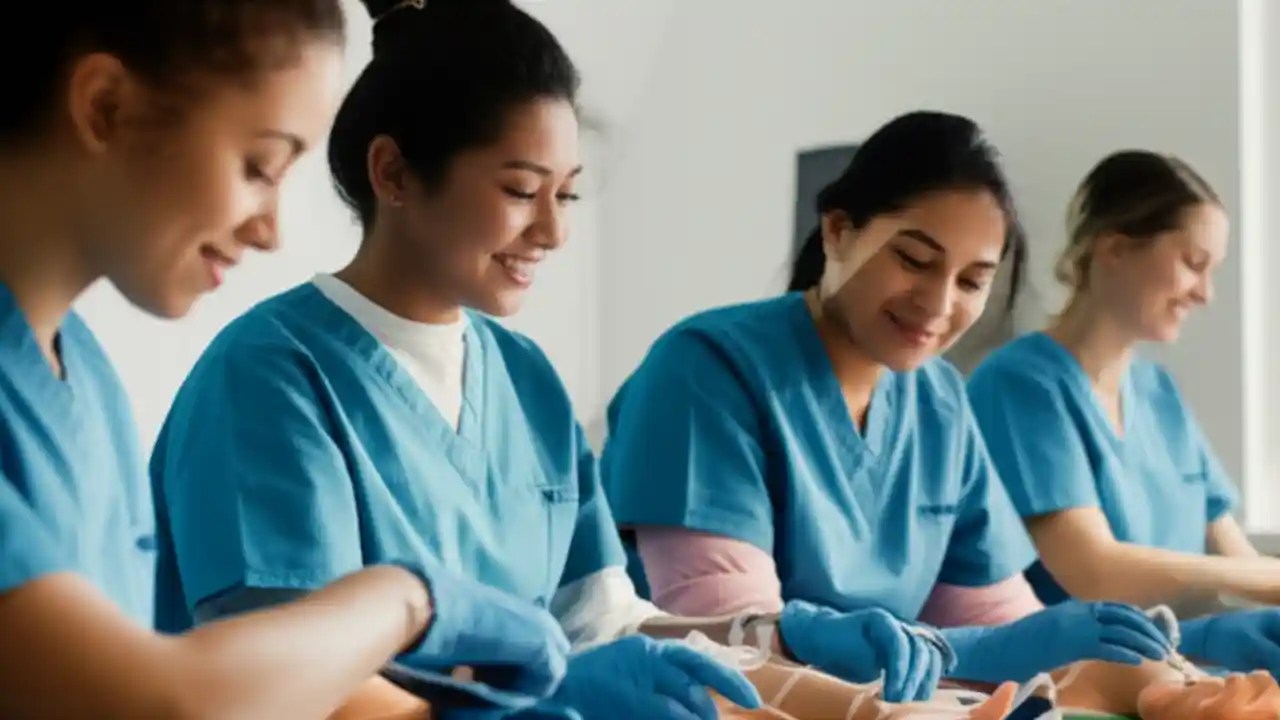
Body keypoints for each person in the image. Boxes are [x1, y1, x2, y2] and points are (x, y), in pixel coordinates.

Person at [149, 2, 764, 719]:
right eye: (521, 191)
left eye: (565, 193)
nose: (554, 230)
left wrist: (786, 658)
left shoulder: (525, 378)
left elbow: (599, 626)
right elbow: (292, 679)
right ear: (396, 174)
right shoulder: (271, 377)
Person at [0, 2, 585, 719]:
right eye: (259, 166)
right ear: (106, 106)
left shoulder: (82, 380)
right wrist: (410, 600)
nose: (272, 230)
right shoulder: (269, 371)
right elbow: (159, 700)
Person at [600, 111, 1176, 693]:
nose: (937, 303)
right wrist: (960, 652)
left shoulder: (940, 406)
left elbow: (1002, 628)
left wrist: (1162, 665)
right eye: (915, 261)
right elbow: (733, 655)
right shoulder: (707, 370)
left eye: (972, 282)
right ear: (838, 231)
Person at [968, 149, 1280, 677]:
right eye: (1193, 263)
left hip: (1188, 666)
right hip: (1088, 675)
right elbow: (1094, 570)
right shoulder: (1019, 385)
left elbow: (1238, 562)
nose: (1204, 293)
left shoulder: (1159, 394)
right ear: (1114, 248)